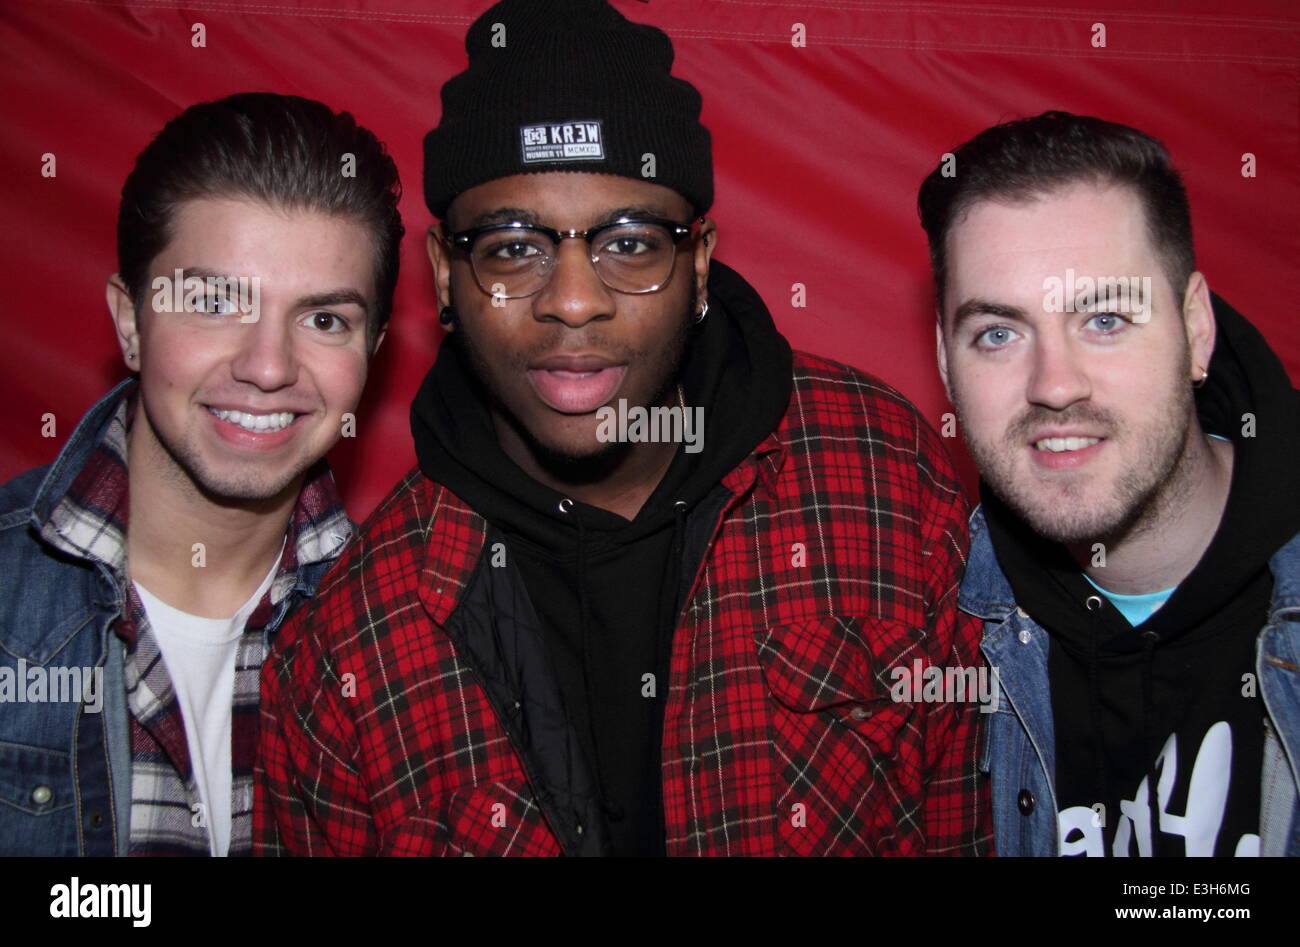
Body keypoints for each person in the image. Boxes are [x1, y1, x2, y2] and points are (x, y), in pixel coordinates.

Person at [256, 0, 989, 858]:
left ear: (702, 259)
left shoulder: (880, 476)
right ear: (444, 276)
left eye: (633, 243)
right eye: (512, 247)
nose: (574, 299)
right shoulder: (351, 643)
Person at [0, 92, 402, 856]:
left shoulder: (408, 631)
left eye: (325, 320)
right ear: (130, 322)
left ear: (371, 351)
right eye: (215, 301)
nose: (268, 366)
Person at [918, 110, 1300, 856]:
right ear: (944, 361)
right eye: (998, 333)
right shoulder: (932, 630)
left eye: (1105, 318)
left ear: (1196, 327)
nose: (1055, 386)